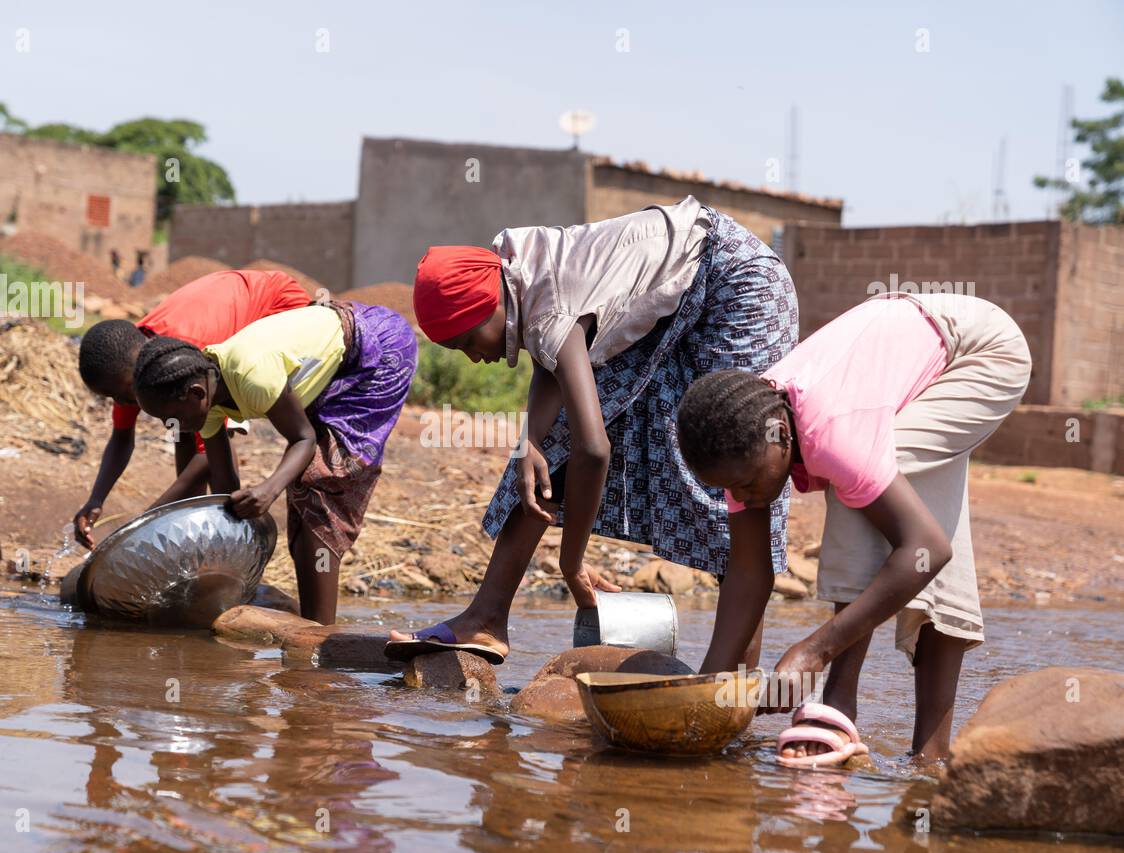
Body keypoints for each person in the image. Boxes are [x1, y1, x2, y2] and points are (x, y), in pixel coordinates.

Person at [386, 197, 798, 665]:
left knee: (731, 453)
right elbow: (550, 353)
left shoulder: (543, 307)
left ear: (491, 304)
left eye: (466, 341)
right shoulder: (511, 270)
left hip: (740, 284)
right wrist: (529, 442)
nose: (472, 356)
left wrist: (571, 561)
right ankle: (486, 618)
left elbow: (595, 449)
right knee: (544, 450)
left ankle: (732, 675)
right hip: (679, 286)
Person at [675, 292, 1031, 766]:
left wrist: (813, 651)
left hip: (982, 352)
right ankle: (931, 752)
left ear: (781, 435)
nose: (746, 495)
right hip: (911, 355)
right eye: (730, 489)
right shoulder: (743, 439)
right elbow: (748, 574)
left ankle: (838, 700)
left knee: (864, 492)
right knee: (917, 508)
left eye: (746, 483)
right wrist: (704, 694)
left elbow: (925, 548)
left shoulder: (832, 432)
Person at [131, 299, 417, 625]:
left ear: (196, 394)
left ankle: (319, 635)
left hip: (380, 347)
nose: (172, 427)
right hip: (337, 354)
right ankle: (311, 623)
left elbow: (304, 439)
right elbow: (226, 485)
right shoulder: (208, 398)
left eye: (170, 417)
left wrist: (268, 490)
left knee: (320, 483)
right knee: (303, 487)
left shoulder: (252, 375)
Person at [73, 269, 310, 547]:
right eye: (113, 397)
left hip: (278, 306)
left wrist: (141, 524)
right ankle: (198, 528)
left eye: (123, 395)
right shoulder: (127, 363)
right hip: (224, 300)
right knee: (183, 426)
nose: (122, 403)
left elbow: (209, 453)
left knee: (220, 427)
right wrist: (96, 499)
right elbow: (122, 437)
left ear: (136, 373)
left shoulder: (185, 361)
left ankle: (235, 537)